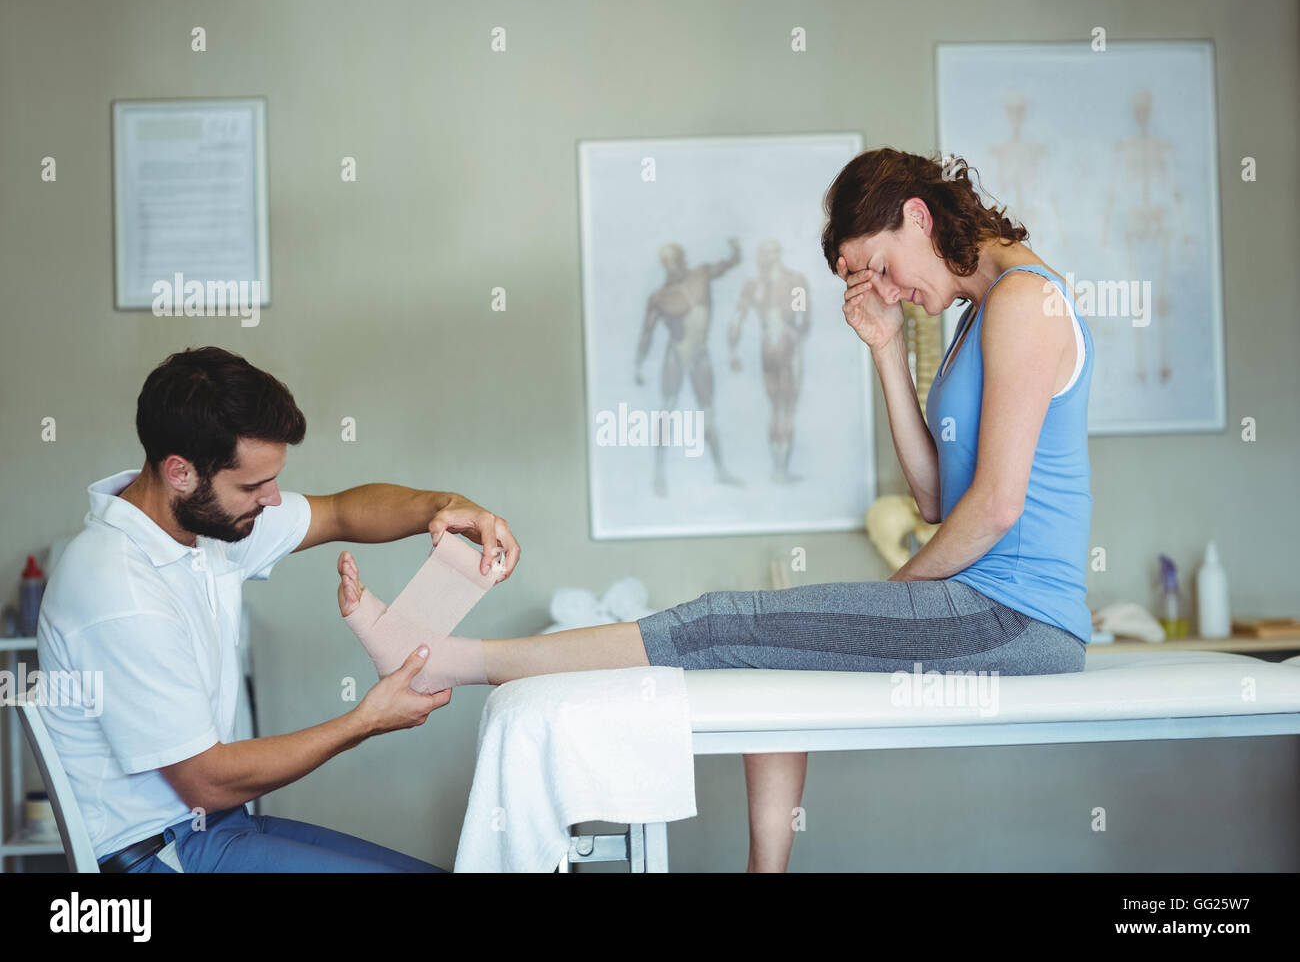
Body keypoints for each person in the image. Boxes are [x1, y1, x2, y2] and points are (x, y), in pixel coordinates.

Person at [338, 148, 1095, 872]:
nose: (886, 291)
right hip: (985, 604)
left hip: (1016, 616)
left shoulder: (1024, 301)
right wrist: (886, 352)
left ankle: (449, 658)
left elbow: (996, 508)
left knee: (723, 622)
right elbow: (935, 497)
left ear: (919, 219)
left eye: (881, 268)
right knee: (778, 644)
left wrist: (891, 598)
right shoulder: (976, 316)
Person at [36, 346, 520, 872]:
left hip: (215, 825)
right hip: (164, 854)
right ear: (180, 471)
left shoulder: (198, 527)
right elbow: (206, 777)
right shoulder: (121, 591)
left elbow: (339, 512)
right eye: (252, 485)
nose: (271, 499)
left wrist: (445, 506)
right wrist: (366, 720)